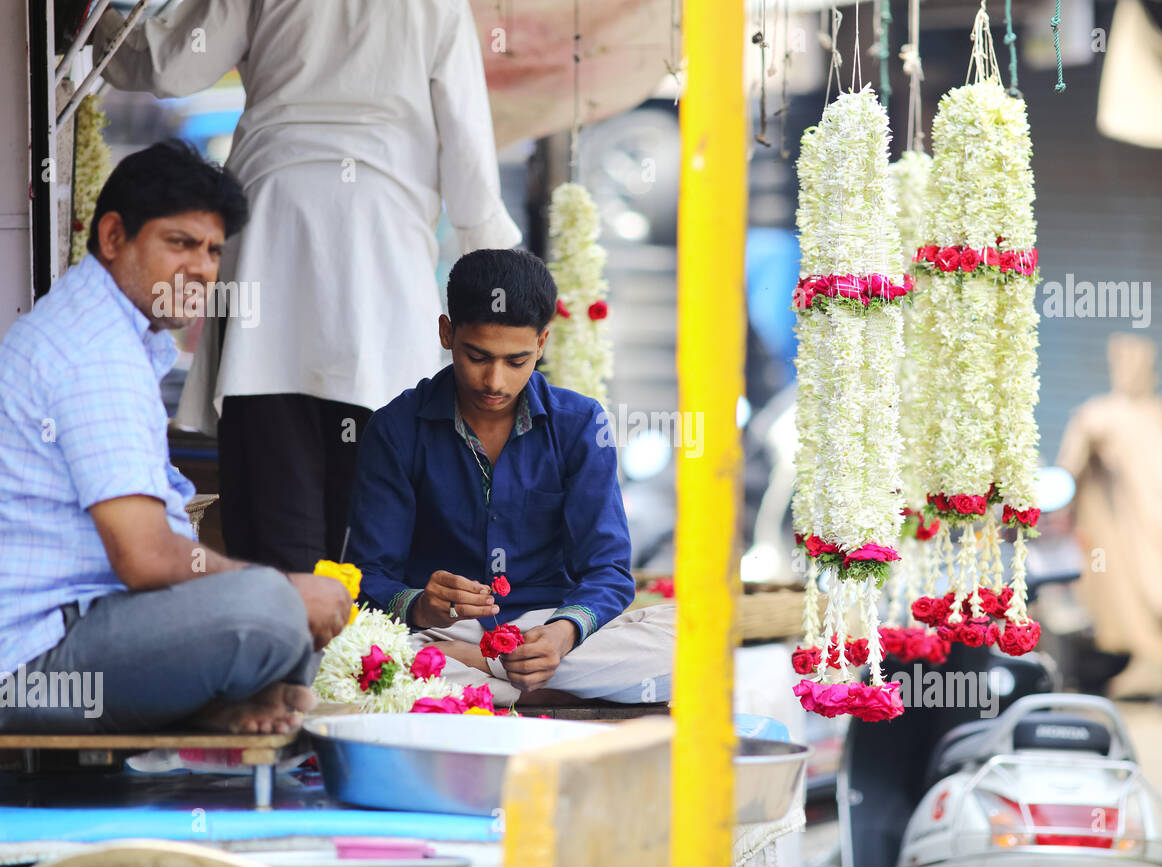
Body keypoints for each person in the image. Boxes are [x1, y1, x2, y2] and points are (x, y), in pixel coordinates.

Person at [94, 0, 522, 571]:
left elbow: (172, 66)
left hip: (275, 221)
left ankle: (291, 629)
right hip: (381, 244)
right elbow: (467, 147)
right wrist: (495, 278)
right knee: (373, 486)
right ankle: (362, 649)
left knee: (272, 474)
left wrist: (88, 23)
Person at [0, 141, 353, 735]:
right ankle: (228, 699)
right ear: (113, 238)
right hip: (31, 667)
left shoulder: (110, 334)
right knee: (270, 608)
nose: (203, 267)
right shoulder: (93, 350)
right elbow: (143, 557)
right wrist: (281, 589)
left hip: (82, 631)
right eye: (180, 243)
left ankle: (230, 703)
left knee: (284, 606)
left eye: (214, 250)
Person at [348, 249, 674, 706]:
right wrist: (420, 603)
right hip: (443, 631)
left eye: (516, 361)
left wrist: (561, 636)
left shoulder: (579, 423)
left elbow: (608, 570)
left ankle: (484, 674)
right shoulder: (397, 428)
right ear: (447, 333)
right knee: (352, 657)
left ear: (541, 344)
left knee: (693, 639)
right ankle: (540, 688)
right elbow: (368, 575)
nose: (495, 382)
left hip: (547, 628)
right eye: (477, 356)